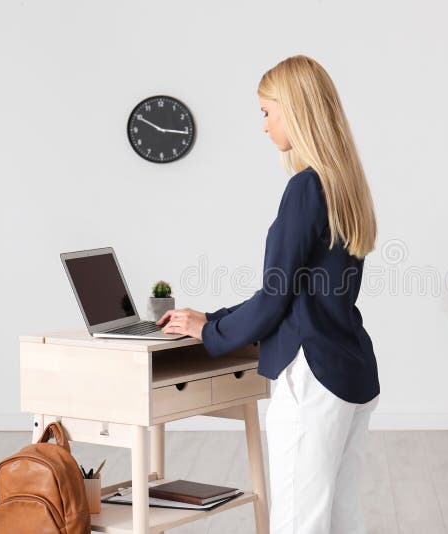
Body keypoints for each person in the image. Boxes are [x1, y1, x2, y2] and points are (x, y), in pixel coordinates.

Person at [156, 54, 380, 534]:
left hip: (312, 375)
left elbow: (276, 298)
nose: (263, 126)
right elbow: (293, 291)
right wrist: (213, 316)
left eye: (266, 112)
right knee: (340, 516)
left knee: (298, 521)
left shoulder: (305, 187)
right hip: (352, 371)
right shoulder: (345, 185)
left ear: (295, 112)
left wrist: (210, 332)